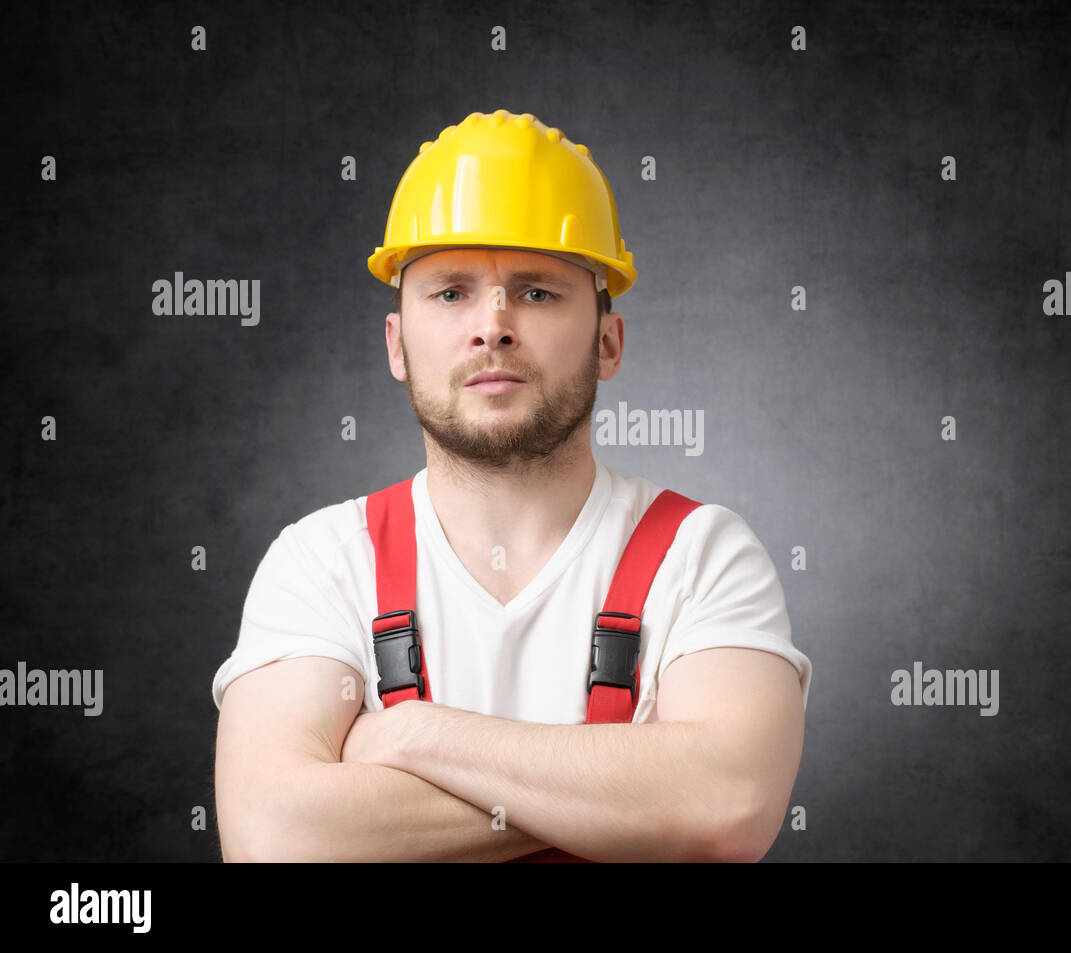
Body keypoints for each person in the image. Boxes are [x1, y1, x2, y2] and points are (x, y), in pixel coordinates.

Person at [210, 109, 811, 862]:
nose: (491, 327)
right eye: (450, 292)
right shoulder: (321, 561)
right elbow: (276, 839)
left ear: (608, 341)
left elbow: (727, 802)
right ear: (397, 345)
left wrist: (408, 735)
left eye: (536, 293)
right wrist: (635, 793)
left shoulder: (703, 555)